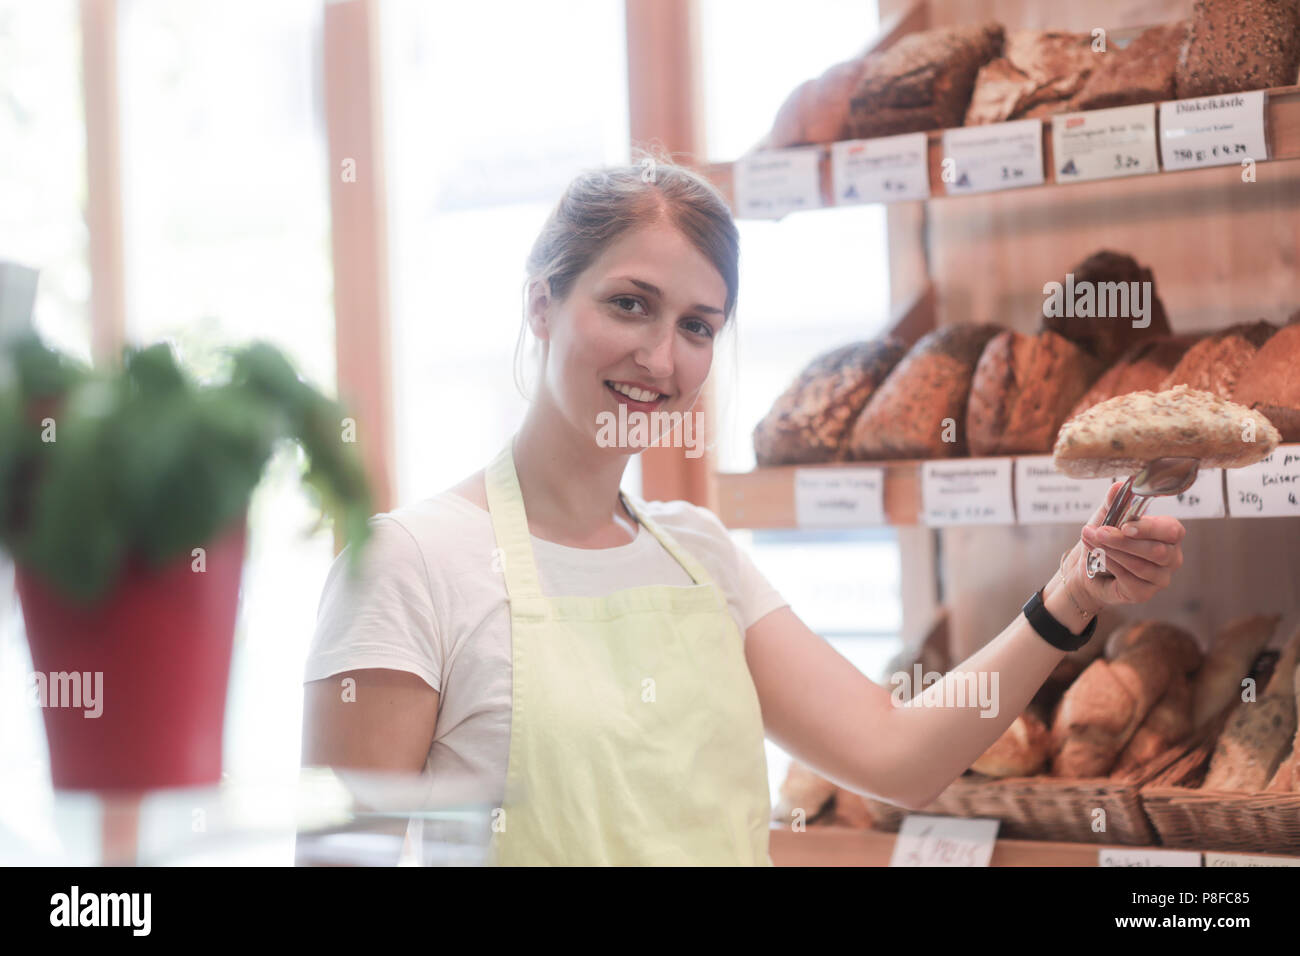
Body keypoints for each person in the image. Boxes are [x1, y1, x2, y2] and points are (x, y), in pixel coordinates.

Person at [301, 154, 1186, 866]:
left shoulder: (698, 554)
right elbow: (346, 864)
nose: (661, 356)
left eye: (698, 326)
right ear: (542, 303)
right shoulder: (407, 565)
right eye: (629, 305)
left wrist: (1074, 591)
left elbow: (897, 756)